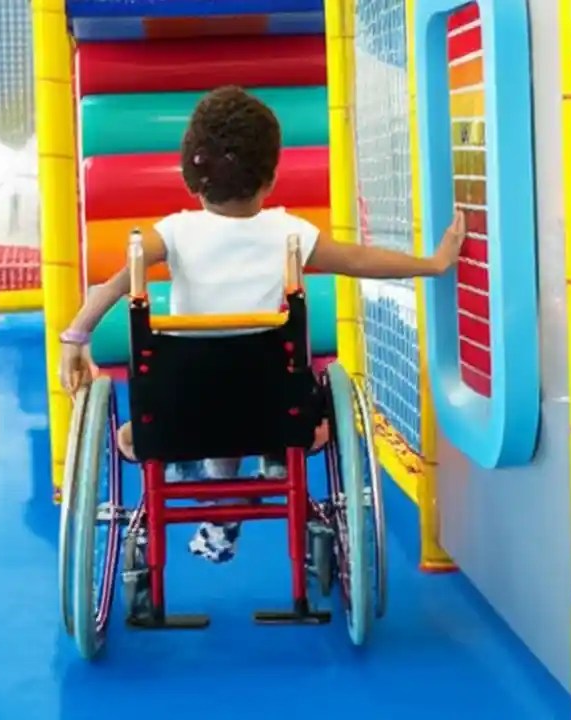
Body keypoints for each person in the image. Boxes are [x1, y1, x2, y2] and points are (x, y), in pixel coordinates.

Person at [58, 85, 465, 563]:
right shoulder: (289, 232)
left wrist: (75, 338)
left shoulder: (173, 232)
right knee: (297, 396)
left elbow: (109, 289)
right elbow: (360, 259)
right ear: (271, 177)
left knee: (183, 404)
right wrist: (433, 264)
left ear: (193, 174)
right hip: (275, 413)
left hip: (182, 418)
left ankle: (219, 500)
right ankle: (268, 466)